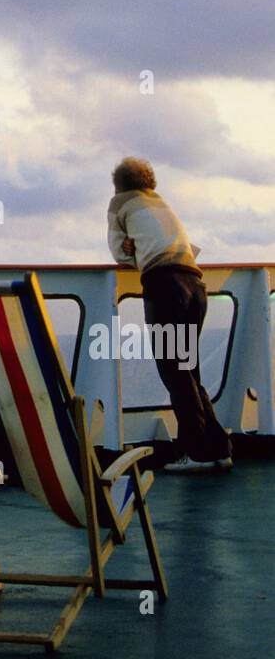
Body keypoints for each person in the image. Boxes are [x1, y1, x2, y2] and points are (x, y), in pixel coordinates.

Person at [107, 157, 232, 472]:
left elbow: (118, 252)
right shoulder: (162, 203)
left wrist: (132, 251)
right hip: (195, 284)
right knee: (189, 370)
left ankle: (199, 453)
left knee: (175, 372)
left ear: (118, 183)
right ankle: (218, 448)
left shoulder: (119, 202)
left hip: (165, 287)